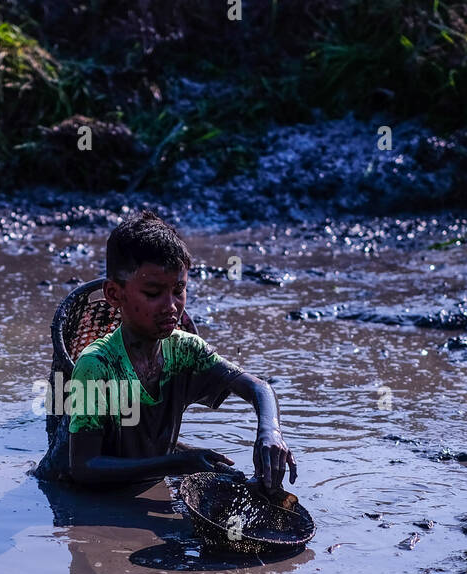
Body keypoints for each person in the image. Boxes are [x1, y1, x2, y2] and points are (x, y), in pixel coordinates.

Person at [37, 210, 297, 490]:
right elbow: (85, 468)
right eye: (153, 293)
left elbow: (259, 388)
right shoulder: (96, 365)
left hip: (143, 475)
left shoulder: (184, 349)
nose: (171, 306)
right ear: (114, 294)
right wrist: (174, 464)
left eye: (179, 289)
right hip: (69, 490)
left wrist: (270, 432)